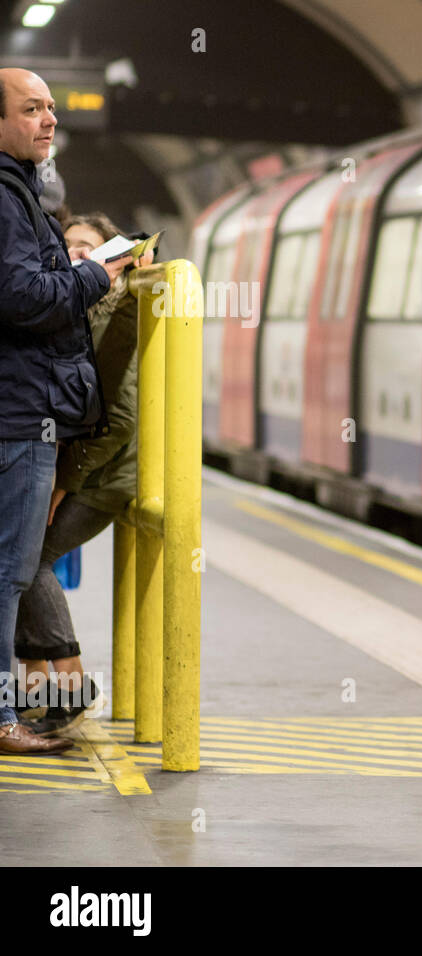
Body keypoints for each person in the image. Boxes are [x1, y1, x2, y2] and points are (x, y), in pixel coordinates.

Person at [0, 68, 132, 755]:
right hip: (20, 412)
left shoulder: (19, 190)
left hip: (28, 411)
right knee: (10, 570)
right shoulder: (6, 196)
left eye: (52, 107)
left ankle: (29, 701)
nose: (49, 119)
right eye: (32, 109)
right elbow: (23, 297)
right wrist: (91, 277)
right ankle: (18, 708)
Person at [17, 213, 152, 736]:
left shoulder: (114, 314)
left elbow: (117, 421)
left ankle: (70, 686)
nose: (76, 256)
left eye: (88, 248)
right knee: (22, 556)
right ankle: (35, 690)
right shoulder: (79, 312)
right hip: (84, 469)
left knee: (34, 556)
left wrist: (62, 481)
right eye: (67, 246)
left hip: (108, 474)